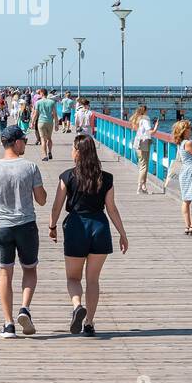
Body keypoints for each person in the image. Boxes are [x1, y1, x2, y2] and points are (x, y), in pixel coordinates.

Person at [48, 135, 129, 336]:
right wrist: (122, 233)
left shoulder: (67, 176)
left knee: (73, 277)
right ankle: (90, 323)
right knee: (93, 280)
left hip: (76, 226)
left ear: (77, 151)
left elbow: (57, 205)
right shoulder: (106, 178)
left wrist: (52, 226)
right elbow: (112, 209)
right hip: (99, 227)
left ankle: (77, 306)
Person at [0, 125, 47, 337]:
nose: (25, 143)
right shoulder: (31, 167)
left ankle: (8, 324)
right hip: (26, 226)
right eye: (23, 140)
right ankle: (24, 308)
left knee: (4, 273)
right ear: (16, 143)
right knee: (30, 269)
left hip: (1, 227)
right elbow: (41, 200)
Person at [130, 104, 156, 194]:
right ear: (145, 111)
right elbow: (150, 131)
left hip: (138, 143)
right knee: (144, 166)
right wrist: (156, 126)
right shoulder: (145, 119)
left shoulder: (137, 119)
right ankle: (139, 187)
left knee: (142, 164)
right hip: (144, 143)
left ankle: (144, 187)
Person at [34, 88, 59, 160]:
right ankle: (50, 152)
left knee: (43, 139)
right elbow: (55, 114)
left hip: (41, 122)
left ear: (42, 93)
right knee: (49, 138)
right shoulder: (52, 102)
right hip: (50, 122)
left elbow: (35, 114)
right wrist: (57, 124)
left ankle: (45, 156)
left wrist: (32, 122)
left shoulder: (38, 102)